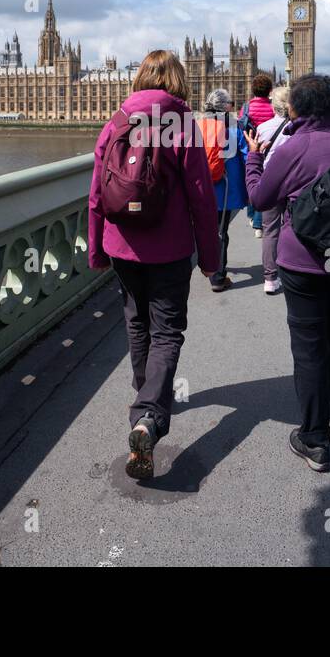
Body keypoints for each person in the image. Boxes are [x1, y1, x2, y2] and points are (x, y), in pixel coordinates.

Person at [88, 50, 220, 481]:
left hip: (122, 246)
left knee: (136, 323)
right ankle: (148, 414)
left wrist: (96, 250)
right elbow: (202, 198)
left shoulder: (117, 121)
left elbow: (95, 195)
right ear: (178, 82)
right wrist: (211, 258)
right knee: (167, 331)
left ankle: (144, 397)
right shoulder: (182, 124)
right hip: (169, 250)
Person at [245, 74, 330, 472]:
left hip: (303, 260)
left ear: (296, 108)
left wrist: (254, 158)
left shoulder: (291, 147)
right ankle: (329, 387)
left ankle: (316, 438)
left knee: (307, 344)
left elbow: (260, 197)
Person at [199, 88, 249, 292]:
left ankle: (207, 267)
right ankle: (218, 277)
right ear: (225, 107)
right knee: (221, 231)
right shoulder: (234, 127)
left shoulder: (197, 127)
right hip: (225, 191)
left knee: (204, 230)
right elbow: (247, 157)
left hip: (200, 189)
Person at [255, 85, 295, 295]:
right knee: (294, 226)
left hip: (269, 181)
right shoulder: (299, 128)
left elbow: (257, 157)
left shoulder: (263, 128)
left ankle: (270, 278)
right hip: (293, 182)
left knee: (270, 230)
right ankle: (293, 271)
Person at [240, 74, 276, 238]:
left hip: (250, 150)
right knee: (265, 185)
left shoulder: (246, 107)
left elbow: (242, 128)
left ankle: (252, 215)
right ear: (269, 90)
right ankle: (258, 224)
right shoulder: (273, 108)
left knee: (251, 181)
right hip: (269, 150)